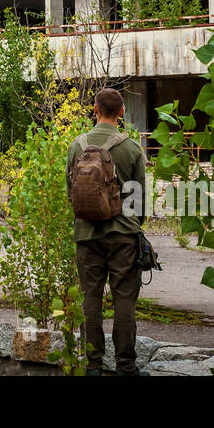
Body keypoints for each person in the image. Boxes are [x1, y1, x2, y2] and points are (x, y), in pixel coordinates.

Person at [66, 86, 147, 376]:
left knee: (91, 297)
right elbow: (140, 200)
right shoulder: (132, 148)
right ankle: (126, 367)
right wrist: (136, 226)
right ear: (122, 113)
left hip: (87, 235)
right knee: (124, 299)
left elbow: (70, 192)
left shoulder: (77, 145)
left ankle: (93, 366)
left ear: (95, 110)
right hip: (123, 235)